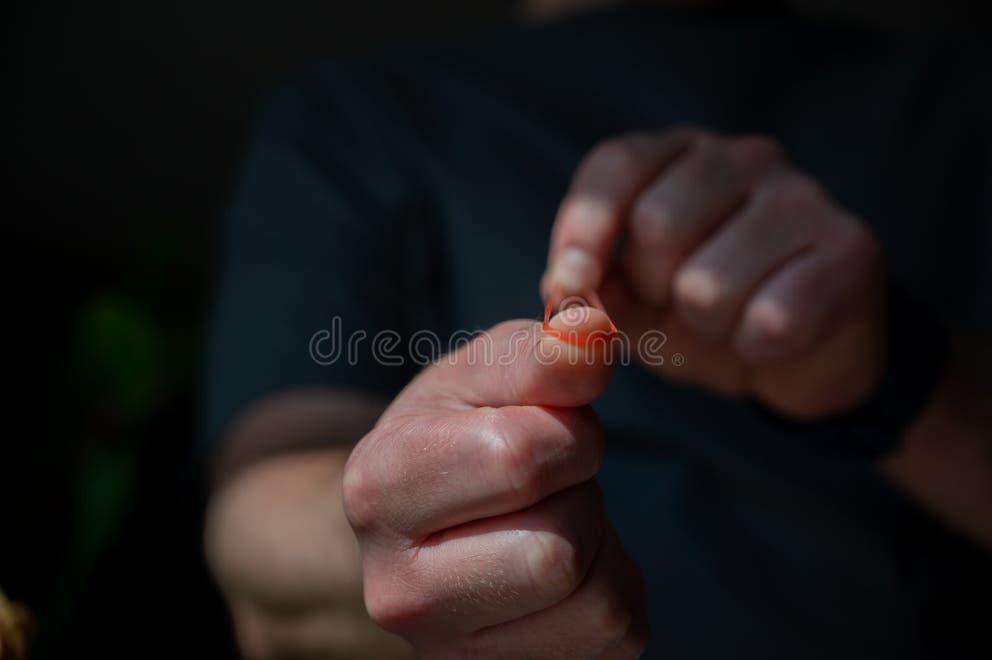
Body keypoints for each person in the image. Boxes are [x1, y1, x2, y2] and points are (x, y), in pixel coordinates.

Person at [201, 0, 992, 657]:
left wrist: (891, 368)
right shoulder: (356, 117)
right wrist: (417, 542)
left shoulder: (966, 101)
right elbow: (260, 520)